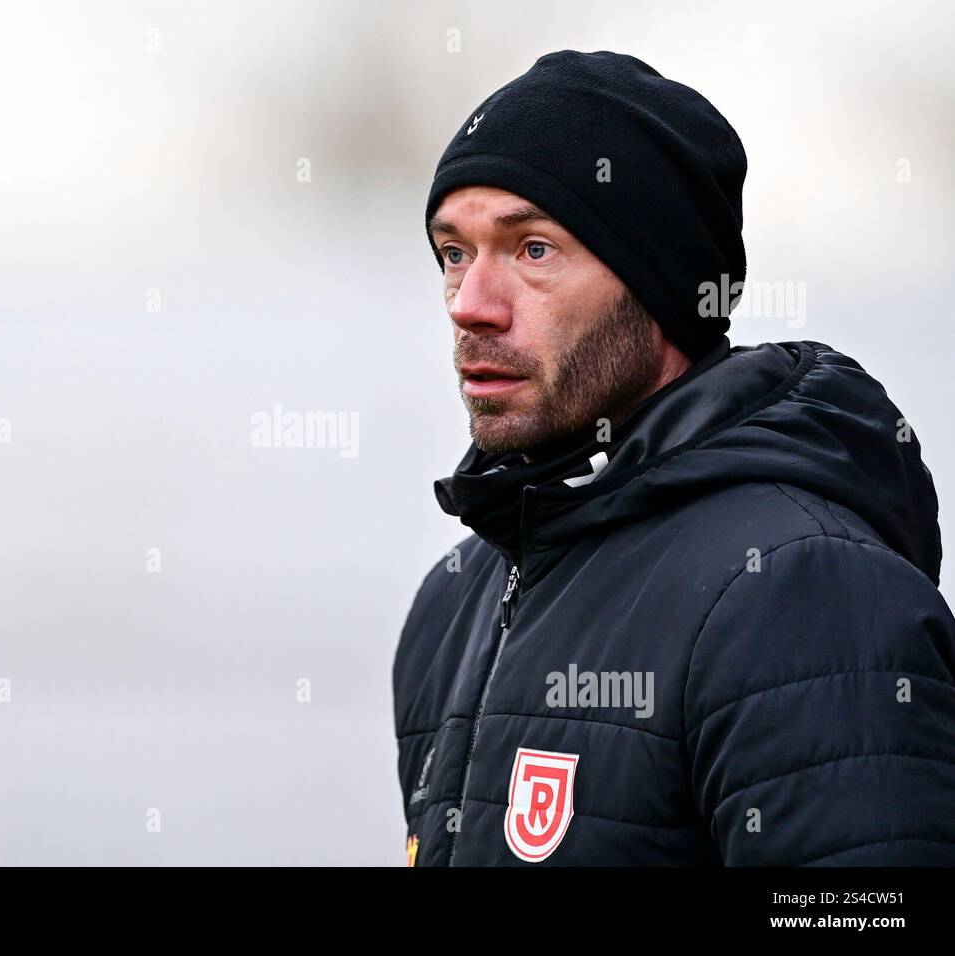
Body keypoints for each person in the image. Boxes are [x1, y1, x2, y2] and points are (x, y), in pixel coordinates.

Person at [393, 50, 955, 866]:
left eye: (533, 250)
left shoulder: (805, 594)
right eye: (454, 253)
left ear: (658, 286)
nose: (471, 304)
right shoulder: (455, 599)